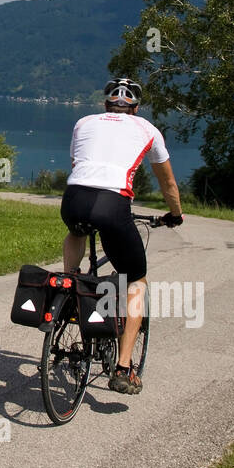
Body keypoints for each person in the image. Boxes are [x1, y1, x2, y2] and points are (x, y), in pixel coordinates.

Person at [60, 77, 183, 395]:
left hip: (73, 199)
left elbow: (78, 164)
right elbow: (167, 183)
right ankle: (124, 369)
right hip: (112, 205)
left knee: (76, 230)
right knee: (135, 281)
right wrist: (175, 214)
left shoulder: (83, 122)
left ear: (106, 104)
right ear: (136, 108)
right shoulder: (147, 129)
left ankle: (68, 284)